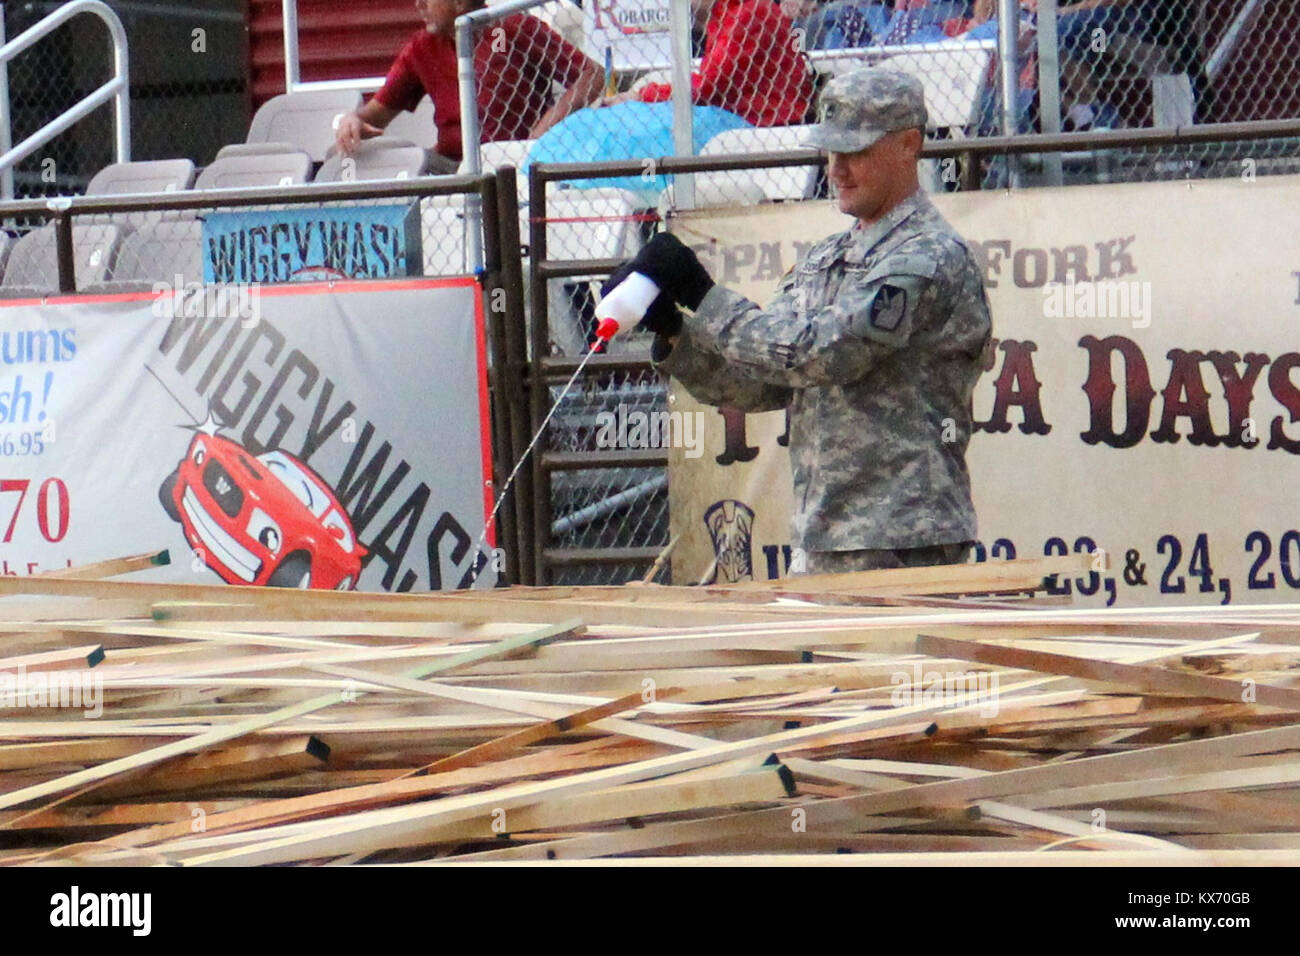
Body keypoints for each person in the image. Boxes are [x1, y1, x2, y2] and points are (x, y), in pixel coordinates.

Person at [606, 67, 992, 575]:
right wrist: (676, 332)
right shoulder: (828, 256)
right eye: (831, 152)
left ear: (908, 146)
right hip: (825, 537)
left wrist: (702, 294)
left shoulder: (927, 259)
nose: (837, 169)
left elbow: (814, 353)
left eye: (855, 152)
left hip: (904, 541)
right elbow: (765, 381)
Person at [335, 0, 604, 168]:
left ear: (460, 2)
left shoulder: (508, 29)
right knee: (379, 161)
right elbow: (375, 116)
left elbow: (592, 74)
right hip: (451, 166)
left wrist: (542, 131)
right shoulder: (423, 47)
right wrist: (352, 119)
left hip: (511, 164)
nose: (418, 5)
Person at [600, 0, 814, 127]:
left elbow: (706, 88)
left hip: (768, 125)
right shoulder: (726, 17)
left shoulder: (747, 14)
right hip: (744, 122)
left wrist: (642, 96)